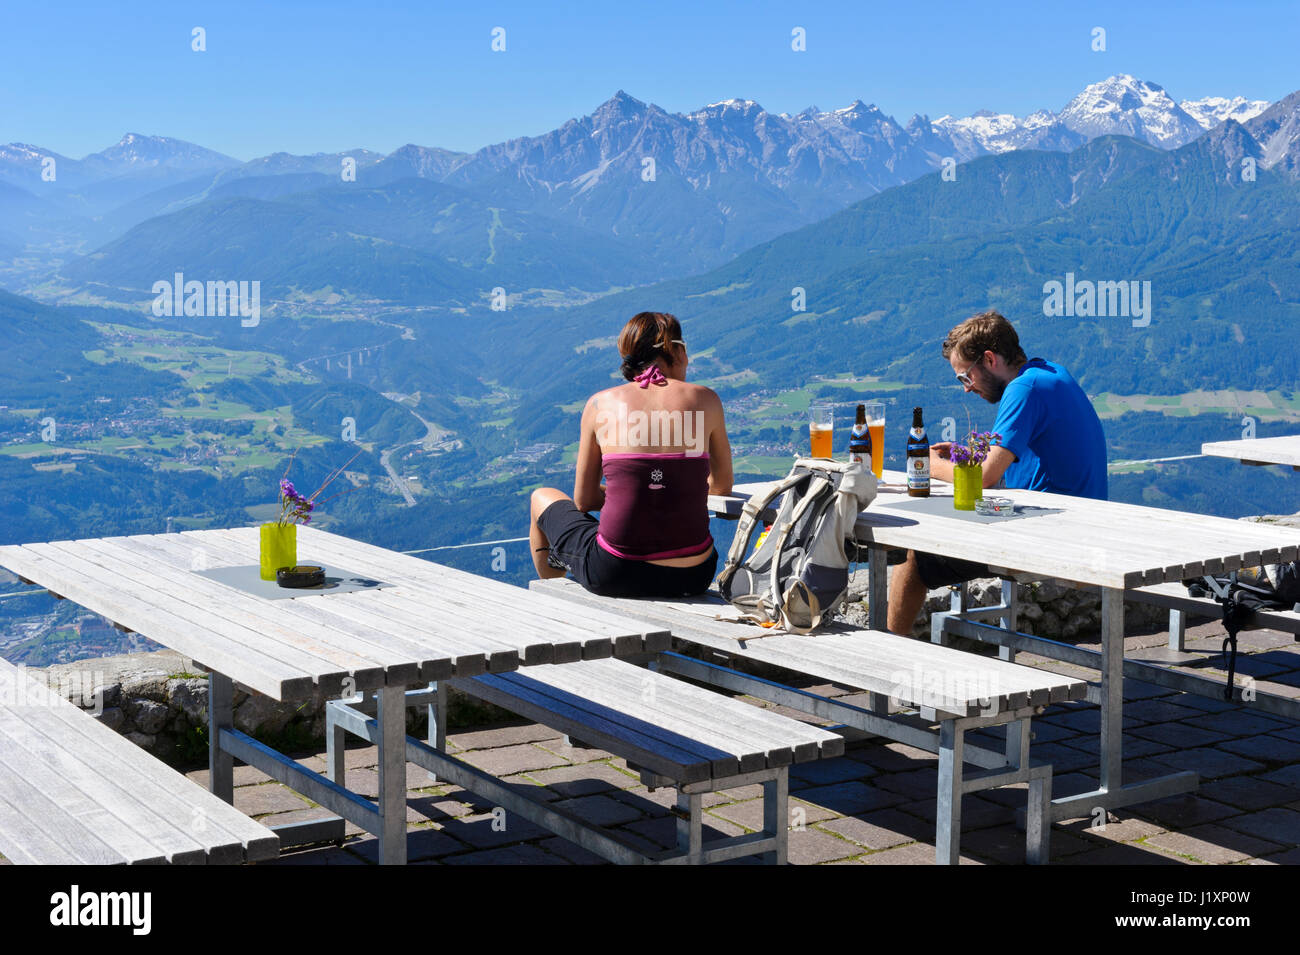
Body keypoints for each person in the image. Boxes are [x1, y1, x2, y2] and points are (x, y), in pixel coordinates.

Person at [887, 310, 1108, 634]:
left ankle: (890, 654)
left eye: (966, 377)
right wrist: (962, 463)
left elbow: (987, 478)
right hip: (1081, 522)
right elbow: (1001, 464)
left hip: (1052, 532)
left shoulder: (1024, 389)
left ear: (989, 359)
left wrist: (928, 465)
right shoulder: (1051, 373)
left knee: (914, 558)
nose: (966, 388)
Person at [530, 311, 733, 597]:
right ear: (677, 350)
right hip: (694, 574)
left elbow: (583, 500)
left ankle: (553, 596)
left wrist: (631, 491)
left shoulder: (600, 404)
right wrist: (670, 491)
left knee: (541, 497)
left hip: (615, 572)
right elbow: (722, 485)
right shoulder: (706, 399)